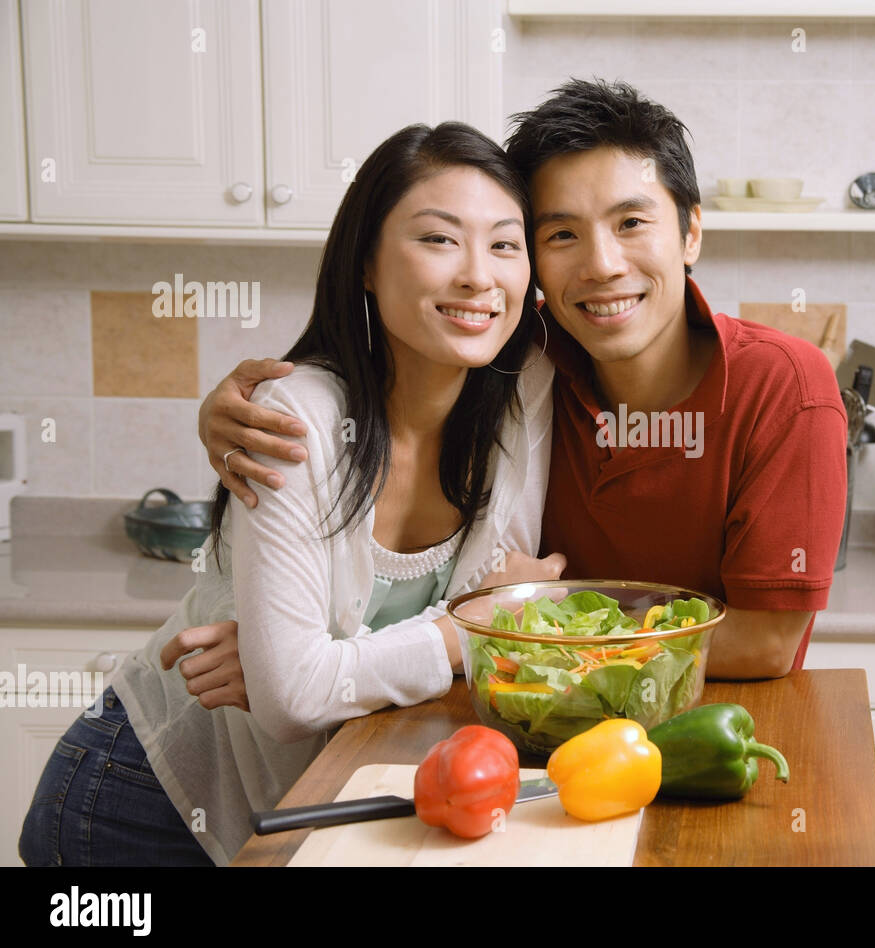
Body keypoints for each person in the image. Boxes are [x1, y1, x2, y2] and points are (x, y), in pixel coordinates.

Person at [18, 122, 560, 867]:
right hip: (135, 796)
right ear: (366, 261)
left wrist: (328, 660)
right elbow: (295, 701)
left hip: (293, 798)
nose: (477, 275)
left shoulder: (523, 395)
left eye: (505, 244)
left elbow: (300, 684)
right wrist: (473, 630)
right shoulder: (297, 419)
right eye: (438, 240)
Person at [198, 78, 847, 685]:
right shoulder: (521, 361)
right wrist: (295, 653)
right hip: (533, 732)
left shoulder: (783, 386)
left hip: (708, 731)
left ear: (690, 231)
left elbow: (765, 643)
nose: (601, 264)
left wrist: (524, 615)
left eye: (632, 223)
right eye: (561, 234)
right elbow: (373, 378)